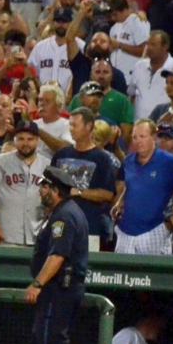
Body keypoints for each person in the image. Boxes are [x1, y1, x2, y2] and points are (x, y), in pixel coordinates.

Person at [23, 165, 88, 344]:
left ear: (55, 190)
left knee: (51, 338)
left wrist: (37, 283)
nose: (40, 191)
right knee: (44, 337)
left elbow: (57, 256)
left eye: (44, 187)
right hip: (61, 288)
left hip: (59, 288)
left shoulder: (64, 216)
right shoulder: (66, 211)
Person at [113, 119, 173, 254]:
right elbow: (130, 186)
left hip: (155, 230)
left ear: (153, 137)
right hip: (125, 232)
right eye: (135, 137)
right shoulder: (128, 162)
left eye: (142, 136)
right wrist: (120, 201)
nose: (138, 141)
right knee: (122, 274)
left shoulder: (170, 162)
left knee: (152, 274)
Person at [51, 107, 119, 250]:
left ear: (88, 127)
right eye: (70, 124)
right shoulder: (61, 155)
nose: (71, 129)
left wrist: (79, 191)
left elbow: (108, 194)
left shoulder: (102, 159)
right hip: (60, 226)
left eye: (75, 125)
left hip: (89, 228)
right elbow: (51, 187)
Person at [0, 120, 47, 246]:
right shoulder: (1, 161)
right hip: (6, 234)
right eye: (21, 139)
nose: (25, 143)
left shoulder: (47, 164)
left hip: (37, 236)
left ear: (37, 140)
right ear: (15, 139)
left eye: (30, 139)